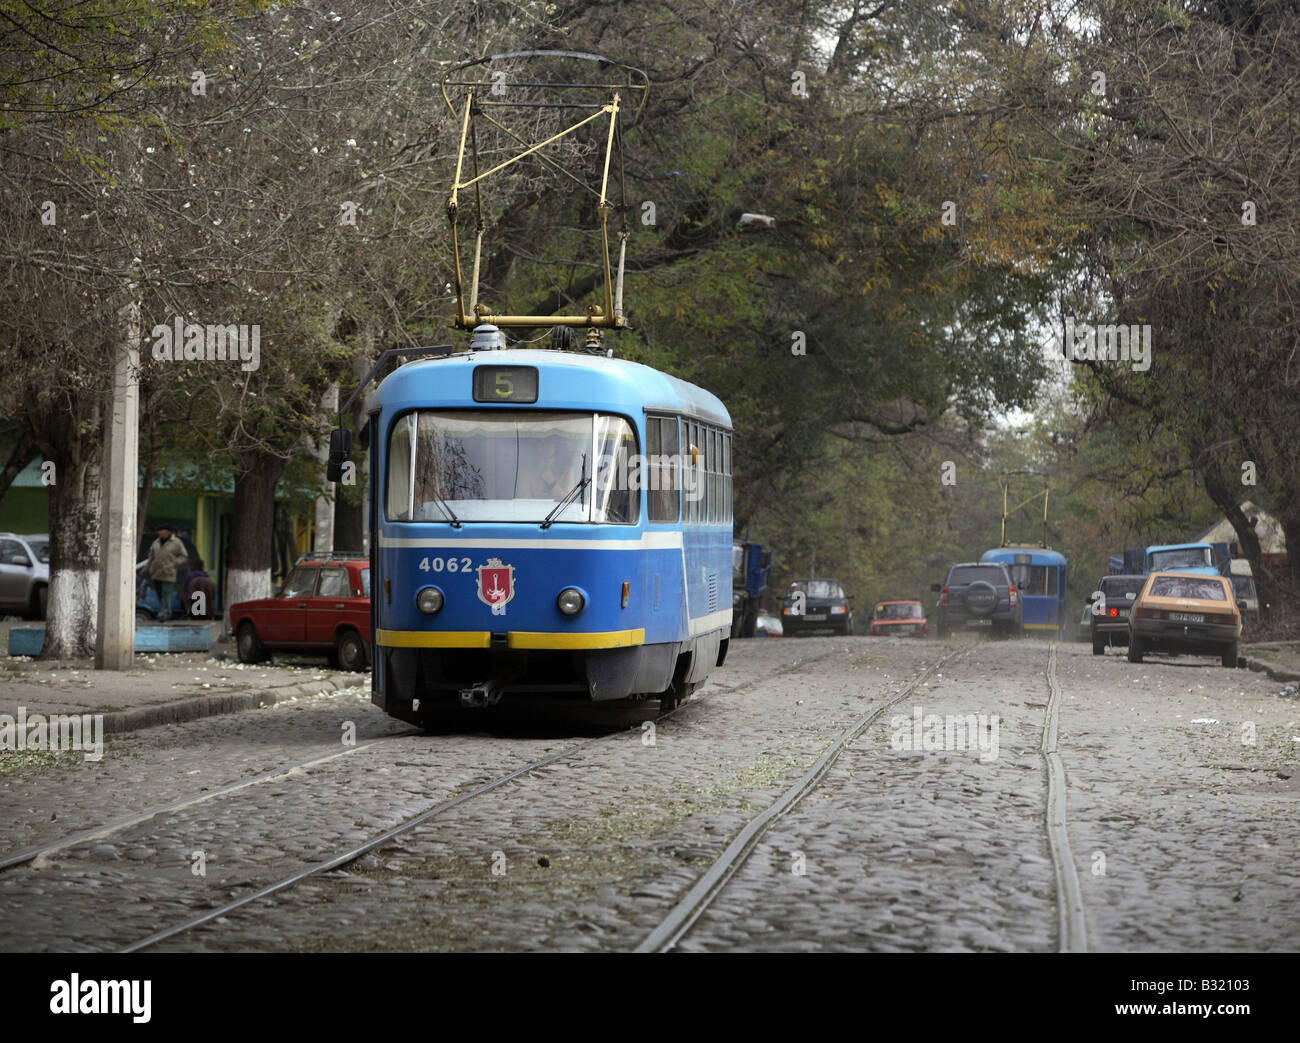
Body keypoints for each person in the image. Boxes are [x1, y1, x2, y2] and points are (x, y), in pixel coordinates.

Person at [139, 524, 189, 622]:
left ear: (168, 532)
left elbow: (184, 556)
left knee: (166, 593)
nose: (160, 533)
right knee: (160, 594)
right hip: (156, 573)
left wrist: (174, 563)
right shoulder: (156, 542)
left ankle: (163, 614)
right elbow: (151, 557)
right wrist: (146, 569)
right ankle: (165, 611)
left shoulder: (176, 542)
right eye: (159, 531)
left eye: (162, 530)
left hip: (169, 573)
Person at [519, 435, 575, 499]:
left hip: (559, 509)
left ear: (556, 446)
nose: (545, 446)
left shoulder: (567, 470)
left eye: (549, 442)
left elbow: (568, 501)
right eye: (541, 443)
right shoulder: (526, 471)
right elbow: (524, 501)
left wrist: (551, 482)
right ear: (537, 446)